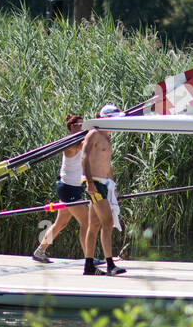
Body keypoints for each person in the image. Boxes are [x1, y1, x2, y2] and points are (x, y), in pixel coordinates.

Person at [32, 114, 91, 263]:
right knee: (87, 223)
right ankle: (89, 258)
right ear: (71, 127)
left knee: (61, 224)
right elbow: (85, 146)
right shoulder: (70, 143)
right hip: (68, 189)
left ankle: (40, 251)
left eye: (84, 125)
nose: (83, 128)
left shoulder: (78, 140)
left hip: (71, 187)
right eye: (80, 126)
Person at [80, 104, 126, 276]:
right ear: (105, 118)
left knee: (94, 225)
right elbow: (83, 157)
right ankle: (110, 265)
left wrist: (113, 186)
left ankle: (88, 265)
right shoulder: (94, 133)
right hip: (95, 183)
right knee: (107, 223)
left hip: (104, 184)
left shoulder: (107, 136)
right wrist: (89, 182)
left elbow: (107, 164)